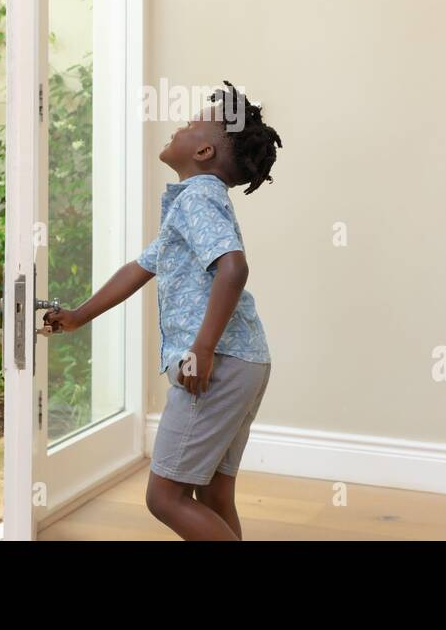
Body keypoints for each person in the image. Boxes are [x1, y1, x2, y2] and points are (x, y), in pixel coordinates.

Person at [44, 81, 282, 540]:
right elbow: (140, 267)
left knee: (164, 497)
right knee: (214, 495)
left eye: (192, 124)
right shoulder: (193, 204)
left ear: (205, 150)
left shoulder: (197, 197)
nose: (180, 125)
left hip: (218, 364)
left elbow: (234, 268)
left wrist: (203, 349)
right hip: (246, 360)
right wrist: (79, 315)